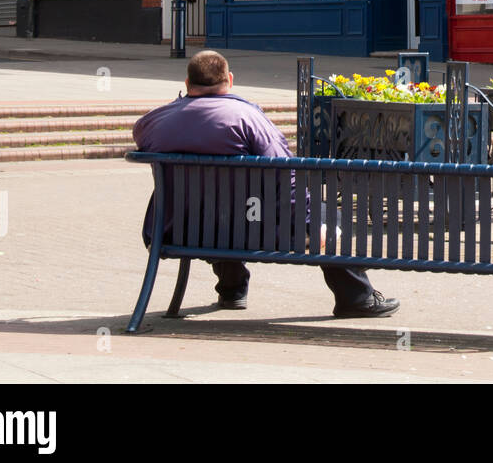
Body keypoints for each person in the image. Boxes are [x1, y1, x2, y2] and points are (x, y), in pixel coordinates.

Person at [133, 50, 399, 318]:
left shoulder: (156, 121)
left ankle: (232, 290)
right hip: (255, 230)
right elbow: (284, 172)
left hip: (177, 229)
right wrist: (309, 219)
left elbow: (141, 135)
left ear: (188, 83)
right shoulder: (247, 117)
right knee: (328, 215)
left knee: (218, 209)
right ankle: (356, 298)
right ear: (230, 80)